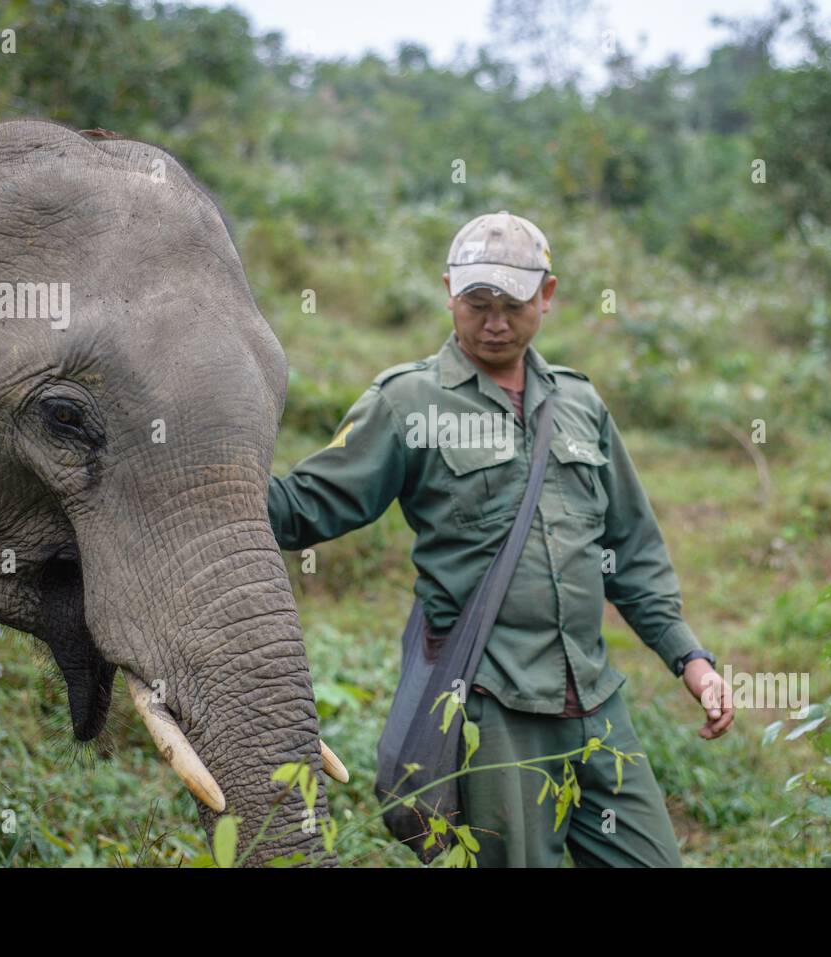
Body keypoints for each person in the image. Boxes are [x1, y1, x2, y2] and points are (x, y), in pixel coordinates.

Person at [268, 210, 734, 867]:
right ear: (448, 292)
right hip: (494, 710)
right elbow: (307, 506)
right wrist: (201, 479)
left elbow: (630, 549)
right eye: (476, 302)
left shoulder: (580, 404)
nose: (493, 321)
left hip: (596, 703)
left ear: (546, 295)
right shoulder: (409, 403)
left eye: (511, 303)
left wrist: (691, 658)